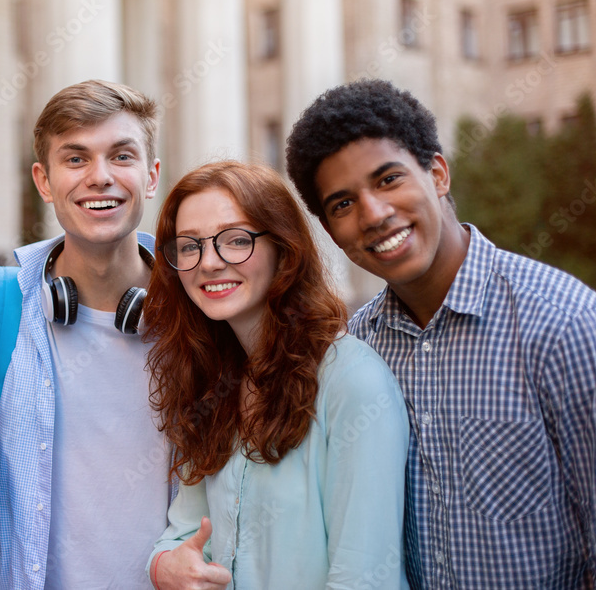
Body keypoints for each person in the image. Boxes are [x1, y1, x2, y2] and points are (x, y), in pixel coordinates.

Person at [285, 78, 596, 588]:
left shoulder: (565, 324)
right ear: (328, 229)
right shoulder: (355, 352)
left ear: (437, 173)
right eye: (342, 204)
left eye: (389, 179)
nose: (374, 214)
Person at [0, 79, 169, 589]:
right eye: (76, 159)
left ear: (150, 176)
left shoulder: (199, 312)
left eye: (121, 156)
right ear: (44, 180)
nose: (99, 178)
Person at [143, 161, 409, 589]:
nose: (209, 263)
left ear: (283, 249)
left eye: (236, 240)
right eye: (189, 246)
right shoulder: (210, 380)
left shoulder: (352, 381)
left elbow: (363, 577)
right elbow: (185, 535)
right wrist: (164, 566)